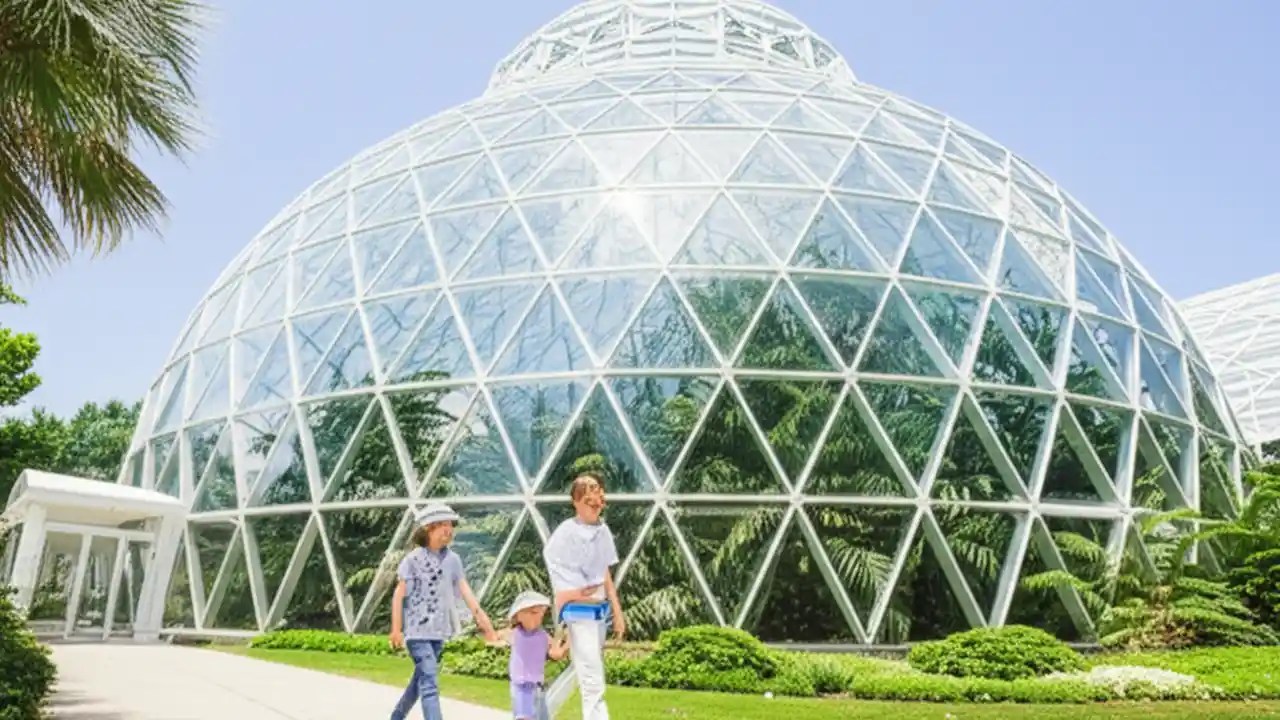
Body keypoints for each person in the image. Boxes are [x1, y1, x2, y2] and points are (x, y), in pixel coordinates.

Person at [389, 502, 498, 720]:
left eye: (451, 525)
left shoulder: (453, 560)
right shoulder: (412, 560)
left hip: (439, 634)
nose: (449, 530)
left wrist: (484, 622)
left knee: (419, 683)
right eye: (443, 526)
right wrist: (396, 629)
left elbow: (466, 592)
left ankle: (396, 717)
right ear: (429, 528)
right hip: (417, 633)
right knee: (429, 681)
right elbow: (399, 594)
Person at [542, 472, 626, 720]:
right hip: (578, 612)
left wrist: (617, 612)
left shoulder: (602, 531)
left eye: (598, 499)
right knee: (592, 680)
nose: (595, 505)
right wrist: (574, 593)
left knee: (586, 671)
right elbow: (556, 571)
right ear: (576, 502)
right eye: (588, 500)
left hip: (598, 612)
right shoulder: (566, 533)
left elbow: (605, 573)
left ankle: (539, 711)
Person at [499, 590, 568, 720]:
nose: (538, 617)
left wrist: (568, 643)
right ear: (518, 616)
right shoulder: (514, 633)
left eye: (540, 613)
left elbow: (555, 653)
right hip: (522, 688)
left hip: (538, 689)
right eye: (533, 613)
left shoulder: (543, 636)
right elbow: (495, 637)